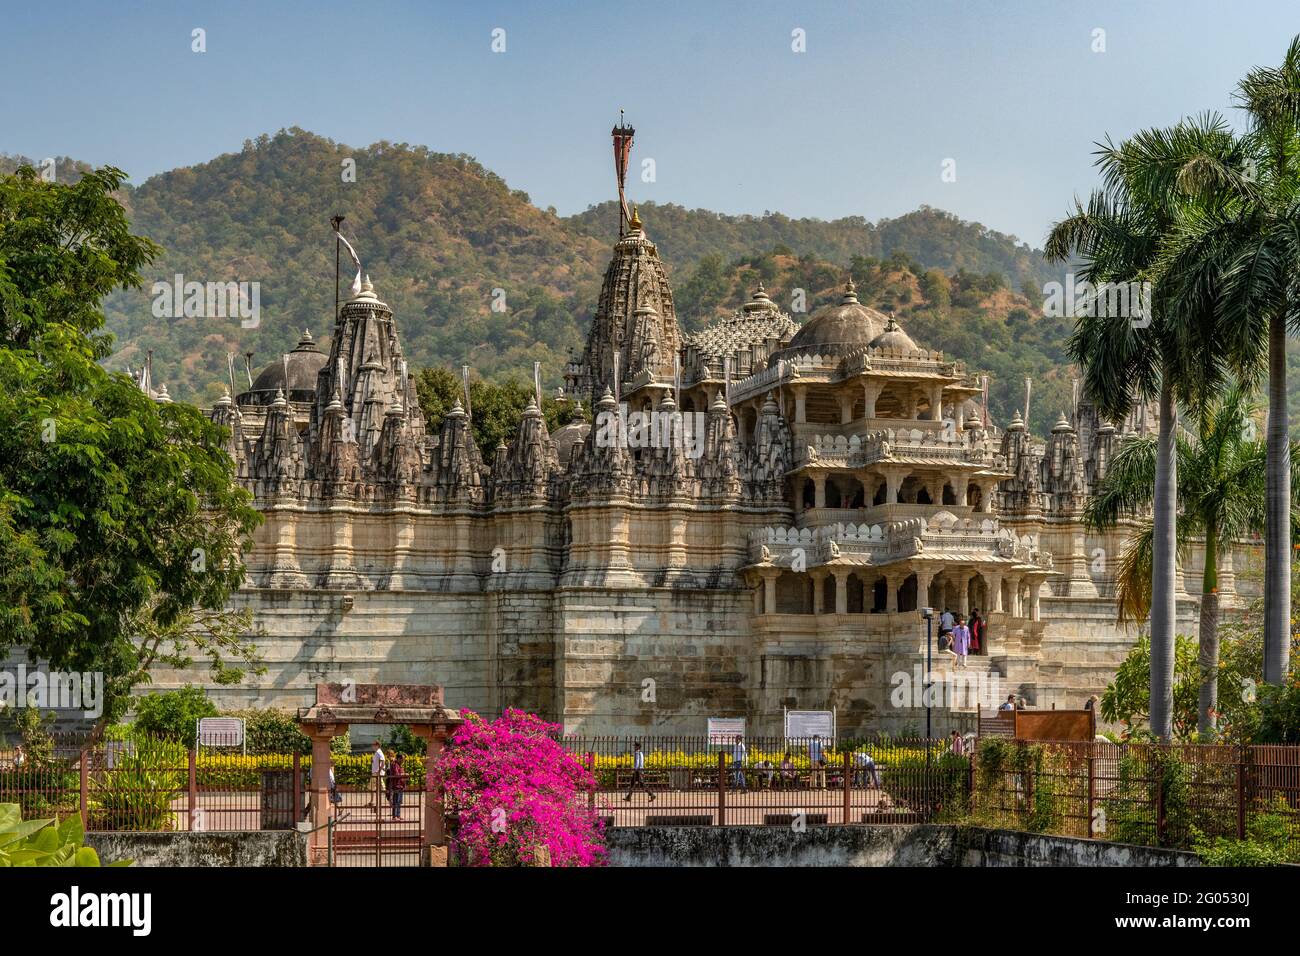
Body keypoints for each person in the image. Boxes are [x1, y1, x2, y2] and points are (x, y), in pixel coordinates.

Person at [370, 740, 387, 808]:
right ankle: (372, 801)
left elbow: (383, 762)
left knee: (382, 788)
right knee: (372, 787)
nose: (372, 746)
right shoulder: (376, 752)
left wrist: (379, 771)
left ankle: (390, 800)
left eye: (374, 745)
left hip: (377, 773)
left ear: (377, 745)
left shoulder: (379, 752)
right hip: (375, 772)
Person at [389, 754, 407, 819]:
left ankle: (398, 815)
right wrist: (404, 774)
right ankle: (394, 816)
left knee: (399, 802)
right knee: (395, 801)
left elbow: (401, 774)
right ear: (399, 759)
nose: (403, 760)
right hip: (396, 785)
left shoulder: (400, 765)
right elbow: (396, 774)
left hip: (400, 785)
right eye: (402, 759)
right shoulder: (394, 765)